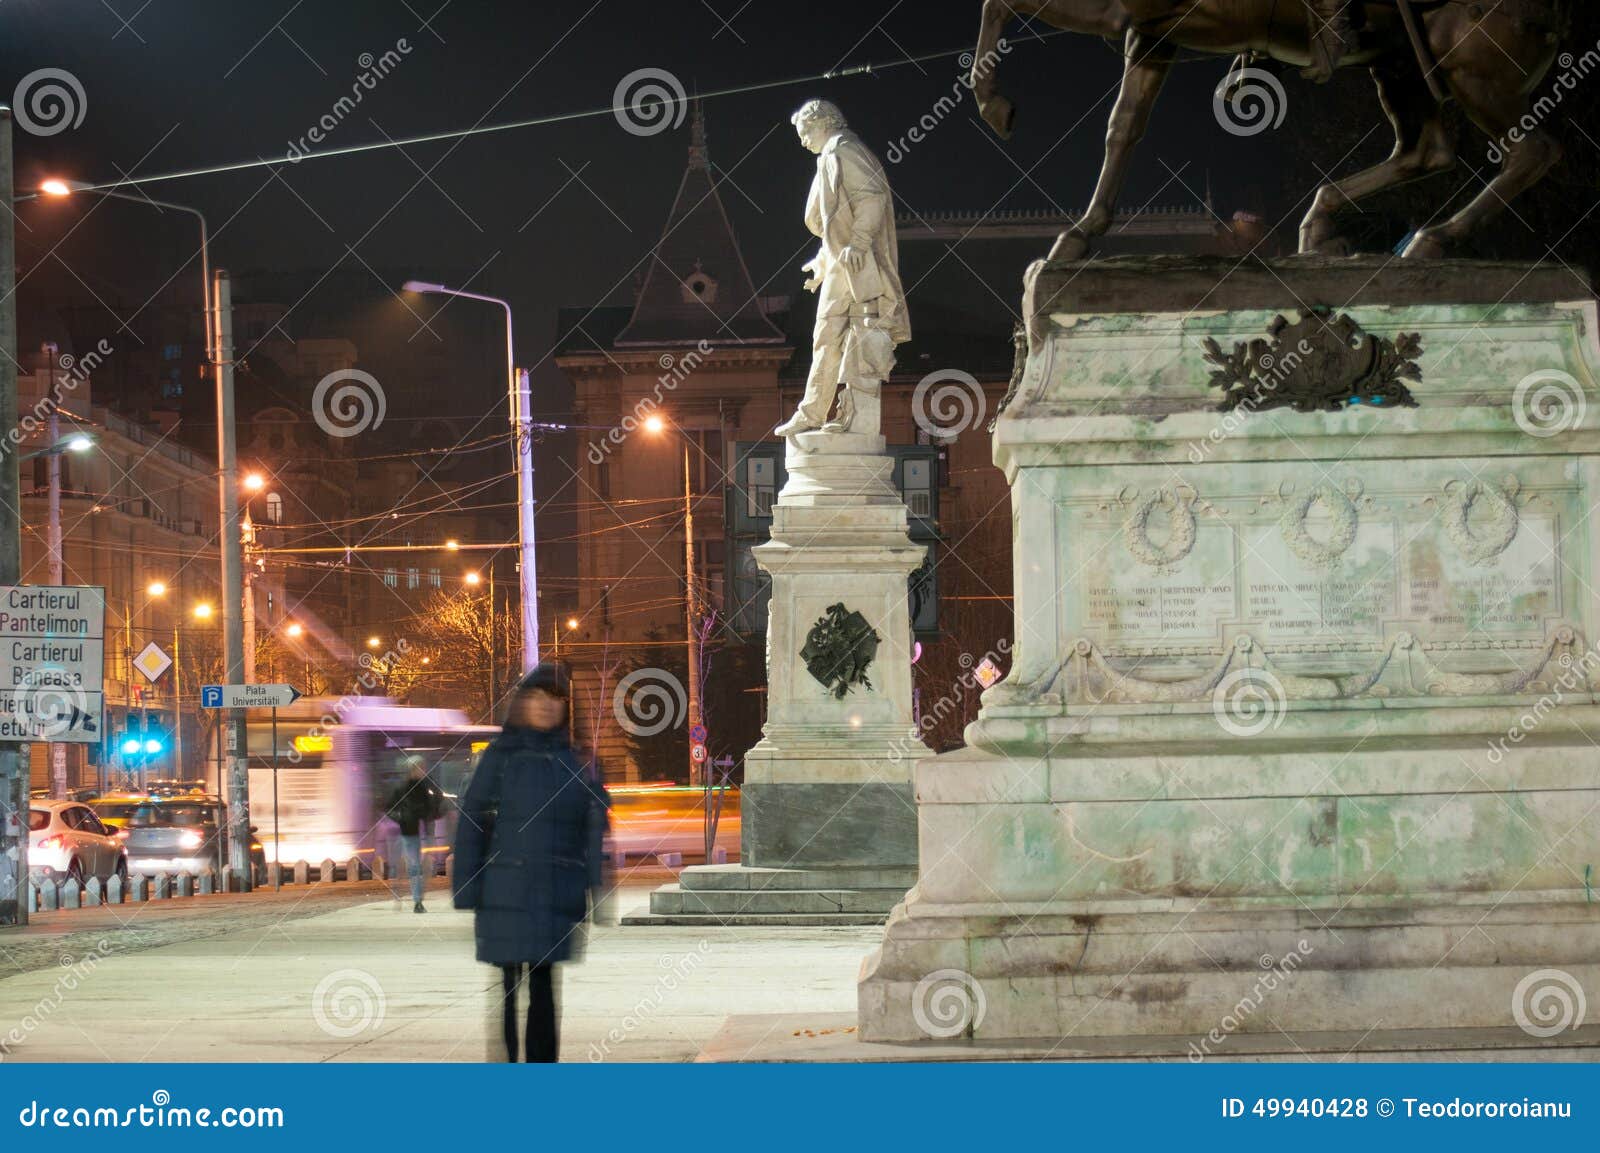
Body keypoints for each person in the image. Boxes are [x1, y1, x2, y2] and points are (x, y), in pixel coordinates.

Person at [452, 661, 608, 1063]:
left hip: (554, 894)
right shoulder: (500, 757)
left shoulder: (574, 762)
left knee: (544, 989)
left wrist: (594, 887)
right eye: (539, 697)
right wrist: (466, 888)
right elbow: (472, 821)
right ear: (523, 703)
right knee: (506, 988)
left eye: (556, 699)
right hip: (503, 892)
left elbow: (591, 832)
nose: (547, 706)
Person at [773, 98, 910, 438]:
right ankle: (820, 412)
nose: (803, 139)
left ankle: (819, 412)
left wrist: (859, 243)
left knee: (835, 336)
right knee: (830, 337)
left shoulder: (845, 149)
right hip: (843, 263)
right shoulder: (831, 155)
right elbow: (837, 224)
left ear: (822, 122)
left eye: (805, 131)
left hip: (857, 265)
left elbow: (871, 197)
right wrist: (823, 262)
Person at [386, 757, 444, 912]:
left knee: (413, 867)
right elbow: (389, 808)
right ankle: (415, 901)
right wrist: (401, 818)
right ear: (412, 769)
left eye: (423, 767)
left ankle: (411, 900)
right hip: (407, 832)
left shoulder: (423, 786)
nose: (423, 770)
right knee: (412, 867)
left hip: (418, 832)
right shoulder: (402, 788)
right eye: (420, 767)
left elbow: (434, 803)